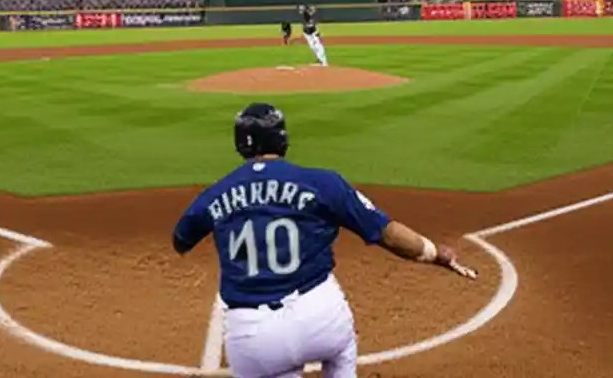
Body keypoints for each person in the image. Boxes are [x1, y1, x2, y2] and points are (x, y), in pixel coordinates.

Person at [172, 103, 477, 377]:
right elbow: (388, 233)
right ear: (282, 139)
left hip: (252, 337)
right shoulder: (323, 182)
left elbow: (181, 240)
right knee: (342, 352)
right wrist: (436, 253)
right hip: (320, 318)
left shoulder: (215, 193)